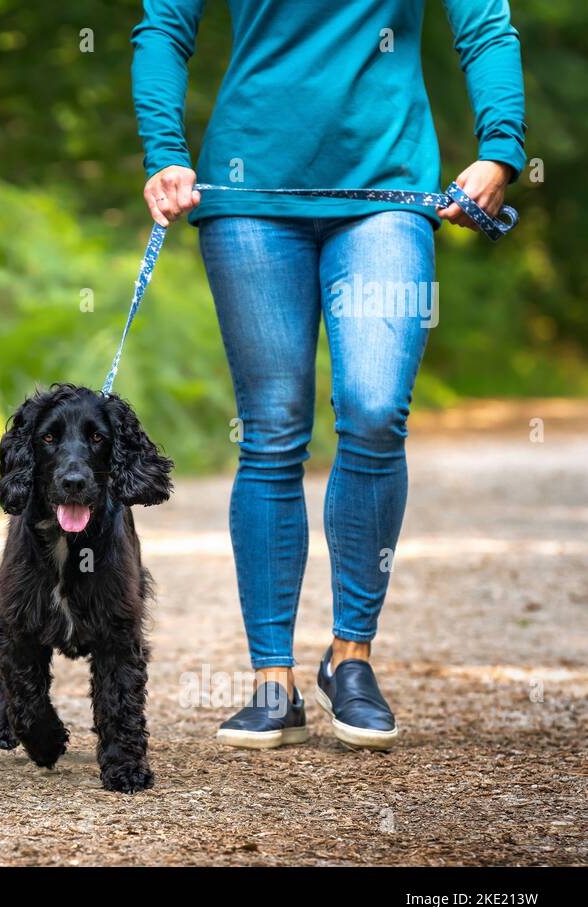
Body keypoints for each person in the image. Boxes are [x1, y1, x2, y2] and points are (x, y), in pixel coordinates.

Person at [131, 0, 525, 749]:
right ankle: (270, 679)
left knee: (375, 410)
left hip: (386, 190)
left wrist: (500, 148)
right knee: (273, 429)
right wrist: (165, 151)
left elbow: (486, 26)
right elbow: (162, 28)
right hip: (249, 196)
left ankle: (351, 657)